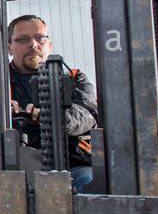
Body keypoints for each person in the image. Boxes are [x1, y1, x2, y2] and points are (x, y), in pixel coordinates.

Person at [6, 14, 98, 193]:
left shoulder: (72, 77)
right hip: (15, 167)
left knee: (89, 184)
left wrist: (51, 115)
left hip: (71, 164)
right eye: (23, 39)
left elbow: (87, 116)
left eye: (40, 38)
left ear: (49, 44)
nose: (33, 45)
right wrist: (3, 113)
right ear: (10, 47)